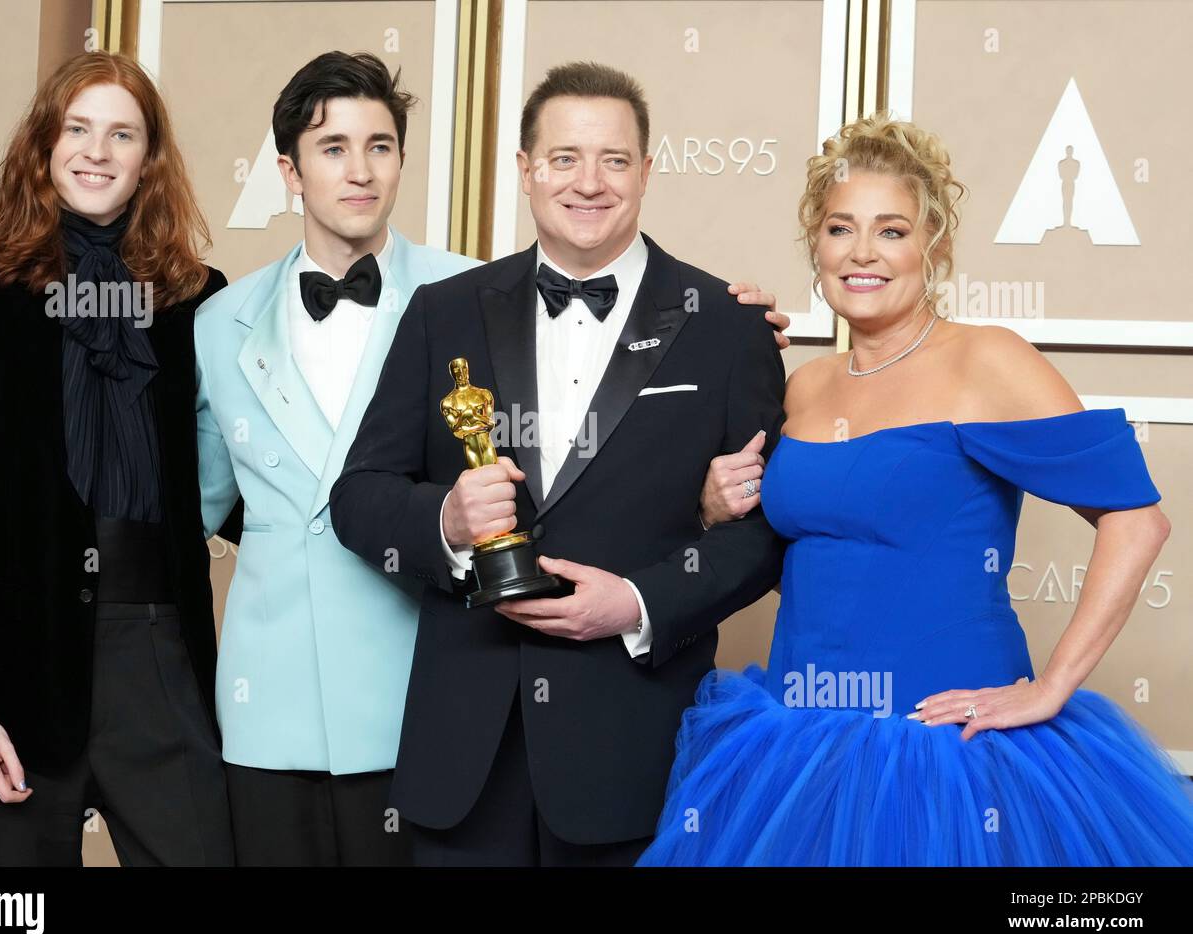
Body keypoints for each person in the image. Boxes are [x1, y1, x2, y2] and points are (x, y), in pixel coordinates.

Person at [195, 52, 790, 866]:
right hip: (460, 763)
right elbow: (361, 495)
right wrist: (442, 520)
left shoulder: (726, 325)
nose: (589, 182)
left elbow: (762, 534)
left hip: (635, 753)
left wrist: (639, 602)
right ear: (524, 170)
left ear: (648, 171)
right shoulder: (446, 310)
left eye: (614, 159)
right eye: (564, 158)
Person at [639, 112, 1193, 866]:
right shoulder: (803, 387)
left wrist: (1051, 686)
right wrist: (712, 505)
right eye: (840, 229)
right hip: (797, 743)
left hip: (949, 752)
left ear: (934, 247)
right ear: (816, 246)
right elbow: (807, 548)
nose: (863, 252)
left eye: (892, 231)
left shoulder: (987, 361)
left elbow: (1139, 520)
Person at [0, 51, 234, 865]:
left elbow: (247, 483)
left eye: (122, 134)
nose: (97, 150)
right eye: (77, 128)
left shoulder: (200, 300)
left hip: (159, 656)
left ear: (148, 159)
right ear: (44, 145)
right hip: (7, 679)